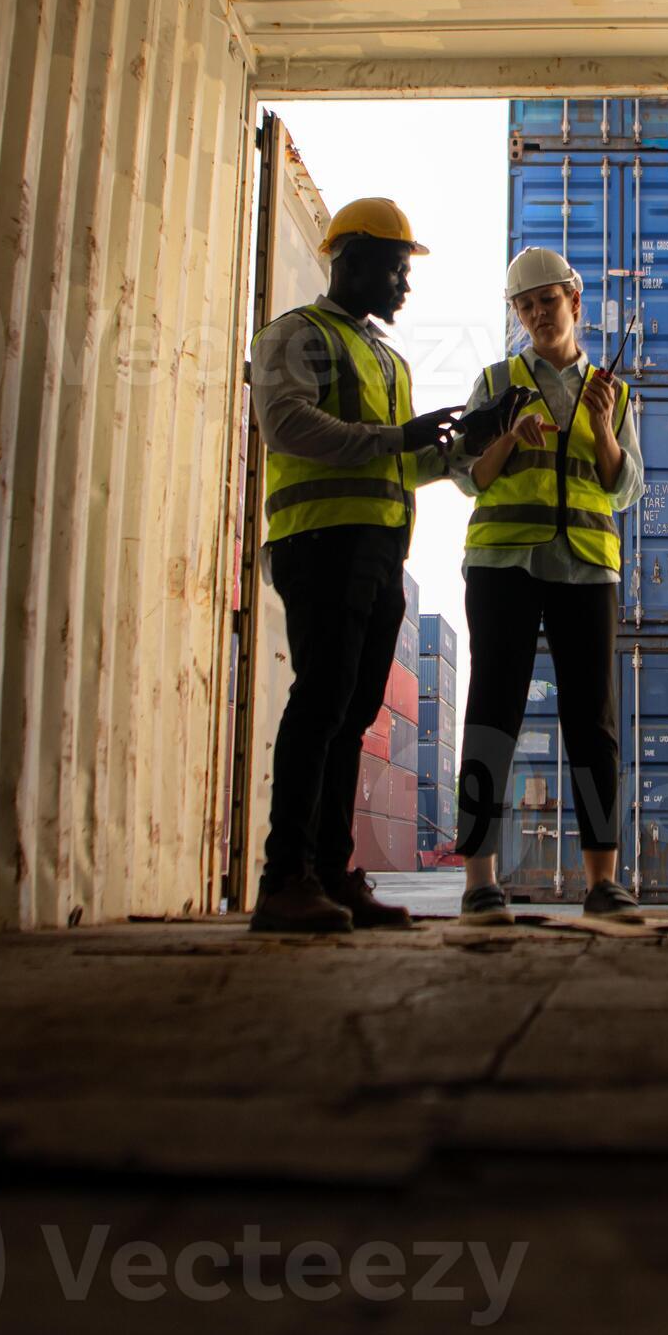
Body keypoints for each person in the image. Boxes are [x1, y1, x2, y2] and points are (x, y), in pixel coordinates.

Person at [246, 197, 462, 934]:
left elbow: (396, 457)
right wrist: (396, 436)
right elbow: (286, 423)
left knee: (351, 716)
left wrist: (467, 446)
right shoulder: (296, 335)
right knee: (321, 703)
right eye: (398, 270)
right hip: (321, 544)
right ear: (355, 259)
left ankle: (333, 877)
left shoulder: (385, 357)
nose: (405, 287)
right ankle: (284, 879)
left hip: (377, 551)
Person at [447, 248, 645, 924]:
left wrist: (598, 427)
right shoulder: (496, 383)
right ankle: (480, 880)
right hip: (502, 565)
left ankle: (603, 881)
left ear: (574, 302)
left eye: (547, 300)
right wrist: (508, 438)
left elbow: (624, 487)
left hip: (586, 568)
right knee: (491, 715)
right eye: (524, 304)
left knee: (593, 725)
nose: (536, 313)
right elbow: (465, 473)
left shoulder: (609, 392)